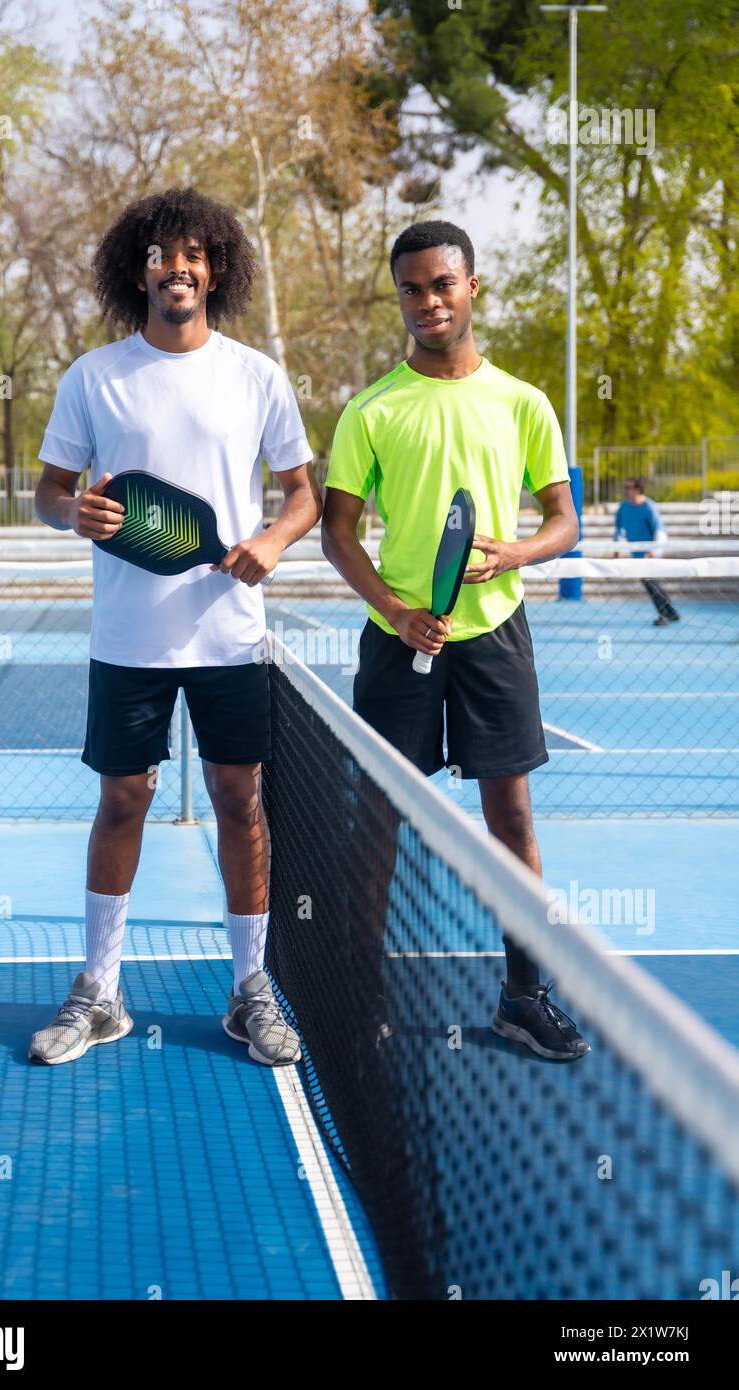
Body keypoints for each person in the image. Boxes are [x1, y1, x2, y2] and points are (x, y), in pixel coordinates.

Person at [30, 187, 320, 1067]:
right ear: (139, 271)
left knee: (241, 803)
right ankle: (100, 992)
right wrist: (69, 514)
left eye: (193, 255)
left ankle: (250, 990)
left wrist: (272, 538)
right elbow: (49, 490)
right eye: (161, 256)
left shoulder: (257, 375)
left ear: (216, 270)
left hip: (230, 638)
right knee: (124, 800)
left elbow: (304, 492)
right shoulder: (94, 375)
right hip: (128, 641)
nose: (178, 268)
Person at [322, 218, 589, 1062]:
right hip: (397, 643)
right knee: (382, 821)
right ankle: (360, 996)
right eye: (412, 288)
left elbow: (563, 521)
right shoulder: (370, 410)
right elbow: (337, 534)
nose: (429, 301)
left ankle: (524, 995)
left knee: (510, 816)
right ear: (399, 296)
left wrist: (512, 552)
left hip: (495, 637)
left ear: (474, 287)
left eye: (443, 284)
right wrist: (398, 613)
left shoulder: (524, 402)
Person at [613, 477, 679, 626]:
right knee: (651, 584)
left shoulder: (649, 506)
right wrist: (617, 548)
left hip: (650, 554)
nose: (626, 490)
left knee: (651, 584)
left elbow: (659, 530)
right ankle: (672, 613)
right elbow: (619, 530)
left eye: (629, 487)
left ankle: (666, 615)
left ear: (637, 489)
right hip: (636, 555)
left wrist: (654, 552)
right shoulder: (623, 507)